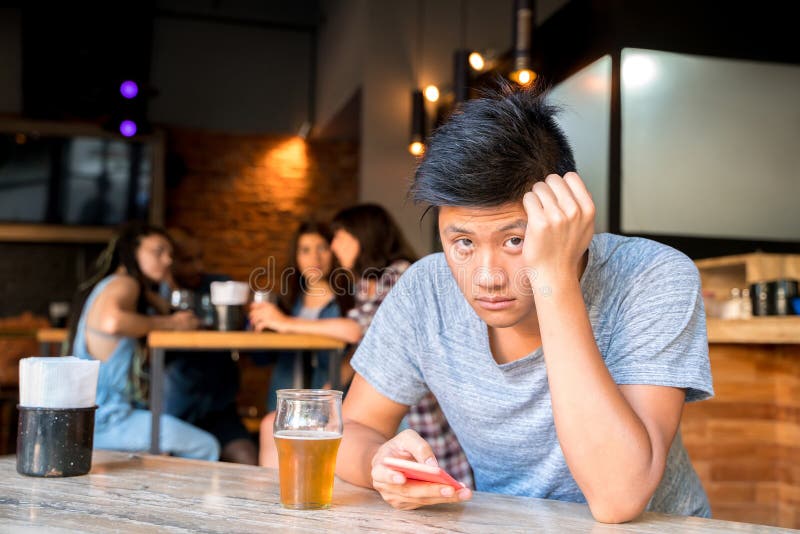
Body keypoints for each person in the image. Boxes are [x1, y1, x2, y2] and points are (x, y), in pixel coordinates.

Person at [334, 84, 713, 522]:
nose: (488, 277)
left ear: (567, 211)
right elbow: (355, 428)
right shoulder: (425, 290)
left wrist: (554, 276)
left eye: (514, 239)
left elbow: (619, 497)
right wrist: (379, 462)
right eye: (463, 243)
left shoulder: (653, 275)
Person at [251, 205, 471, 488]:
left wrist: (284, 322)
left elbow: (356, 330)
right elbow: (361, 349)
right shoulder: (365, 284)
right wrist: (325, 396)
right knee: (281, 426)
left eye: (339, 237)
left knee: (295, 431)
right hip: (387, 408)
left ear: (363, 237)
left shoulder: (400, 275)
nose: (333, 246)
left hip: (408, 409)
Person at [66, 222, 220, 460]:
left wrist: (165, 288)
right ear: (131, 251)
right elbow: (112, 322)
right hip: (108, 419)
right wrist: (173, 323)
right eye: (158, 252)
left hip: (91, 417)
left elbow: (163, 307)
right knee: (206, 446)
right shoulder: (125, 283)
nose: (168, 260)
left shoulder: (113, 285)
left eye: (170, 254)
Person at [161, 227, 258, 465]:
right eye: (188, 260)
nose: (199, 267)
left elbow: (248, 337)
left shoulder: (219, 286)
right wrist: (169, 287)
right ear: (170, 262)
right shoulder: (157, 296)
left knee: (247, 458)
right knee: (172, 467)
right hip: (174, 407)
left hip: (220, 408)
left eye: (200, 257)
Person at [256, 221, 351, 413]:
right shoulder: (286, 303)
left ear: (333, 251)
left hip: (330, 407)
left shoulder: (348, 302)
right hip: (285, 406)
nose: (315, 257)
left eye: (322, 248)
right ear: (296, 257)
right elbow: (262, 359)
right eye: (305, 250)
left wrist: (327, 395)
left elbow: (358, 353)